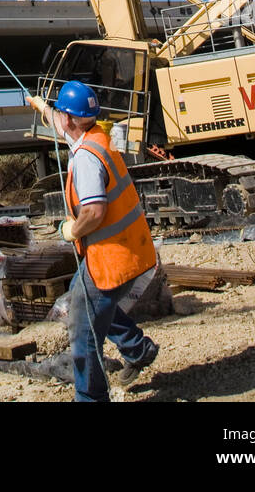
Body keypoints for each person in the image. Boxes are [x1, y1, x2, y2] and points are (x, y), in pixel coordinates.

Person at [27, 80, 159, 402]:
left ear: (70, 119)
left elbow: (95, 212)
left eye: (60, 113)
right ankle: (138, 349)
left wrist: (72, 230)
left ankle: (90, 398)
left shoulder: (85, 159)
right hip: (129, 248)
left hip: (110, 257)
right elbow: (62, 123)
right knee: (83, 300)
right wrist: (42, 106)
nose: (59, 118)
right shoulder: (96, 135)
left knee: (83, 329)